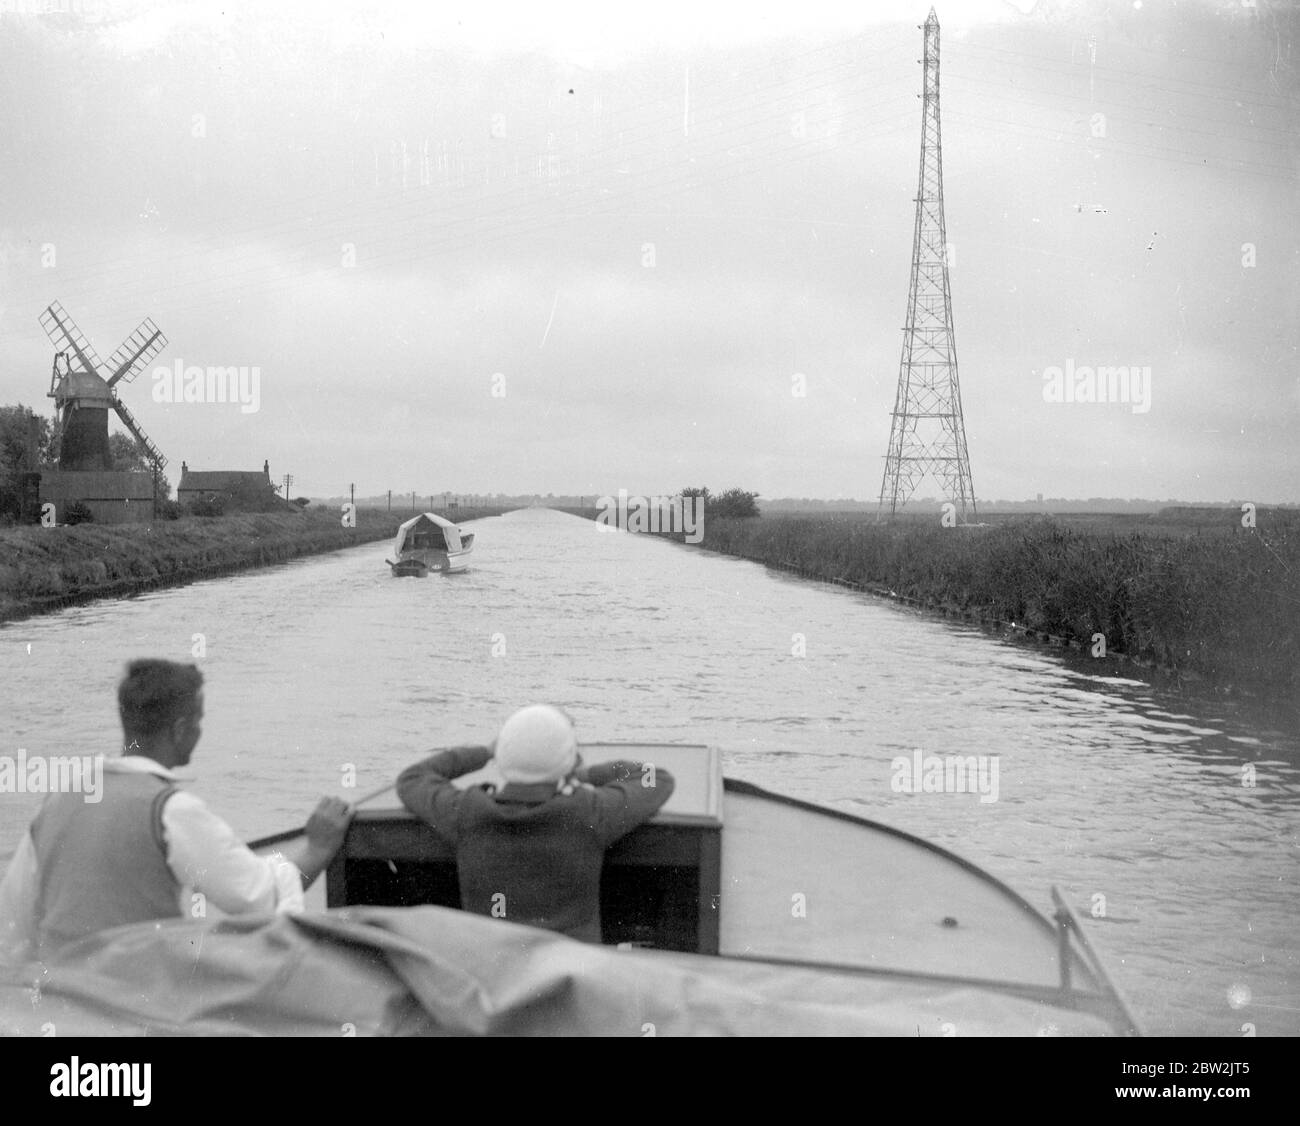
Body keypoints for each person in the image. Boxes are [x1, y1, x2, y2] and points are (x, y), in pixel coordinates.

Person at [0, 659, 353, 963]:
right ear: (181, 730)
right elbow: (259, 896)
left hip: (59, 991)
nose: (200, 730)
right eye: (198, 720)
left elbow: (14, 918)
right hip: (133, 993)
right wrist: (318, 848)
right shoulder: (171, 809)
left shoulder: (58, 800)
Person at [396, 704, 674, 943]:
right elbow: (655, 777)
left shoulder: (466, 812)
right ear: (569, 760)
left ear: (502, 757)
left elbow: (413, 777)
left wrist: (485, 752)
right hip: (572, 980)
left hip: (491, 976)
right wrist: (584, 772)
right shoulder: (589, 813)